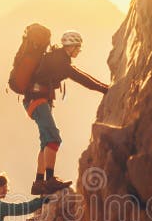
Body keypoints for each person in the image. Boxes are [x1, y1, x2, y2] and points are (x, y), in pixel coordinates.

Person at [25, 30, 110, 195]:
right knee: (53, 138)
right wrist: (105, 89)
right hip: (38, 101)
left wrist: (105, 87)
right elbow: (82, 79)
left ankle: (39, 182)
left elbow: (79, 73)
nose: (79, 51)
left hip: (35, 101)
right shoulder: (61, 63)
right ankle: (49, 180)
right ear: (70, 47)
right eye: (78, 47)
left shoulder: (57, 58)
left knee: (45, 142)